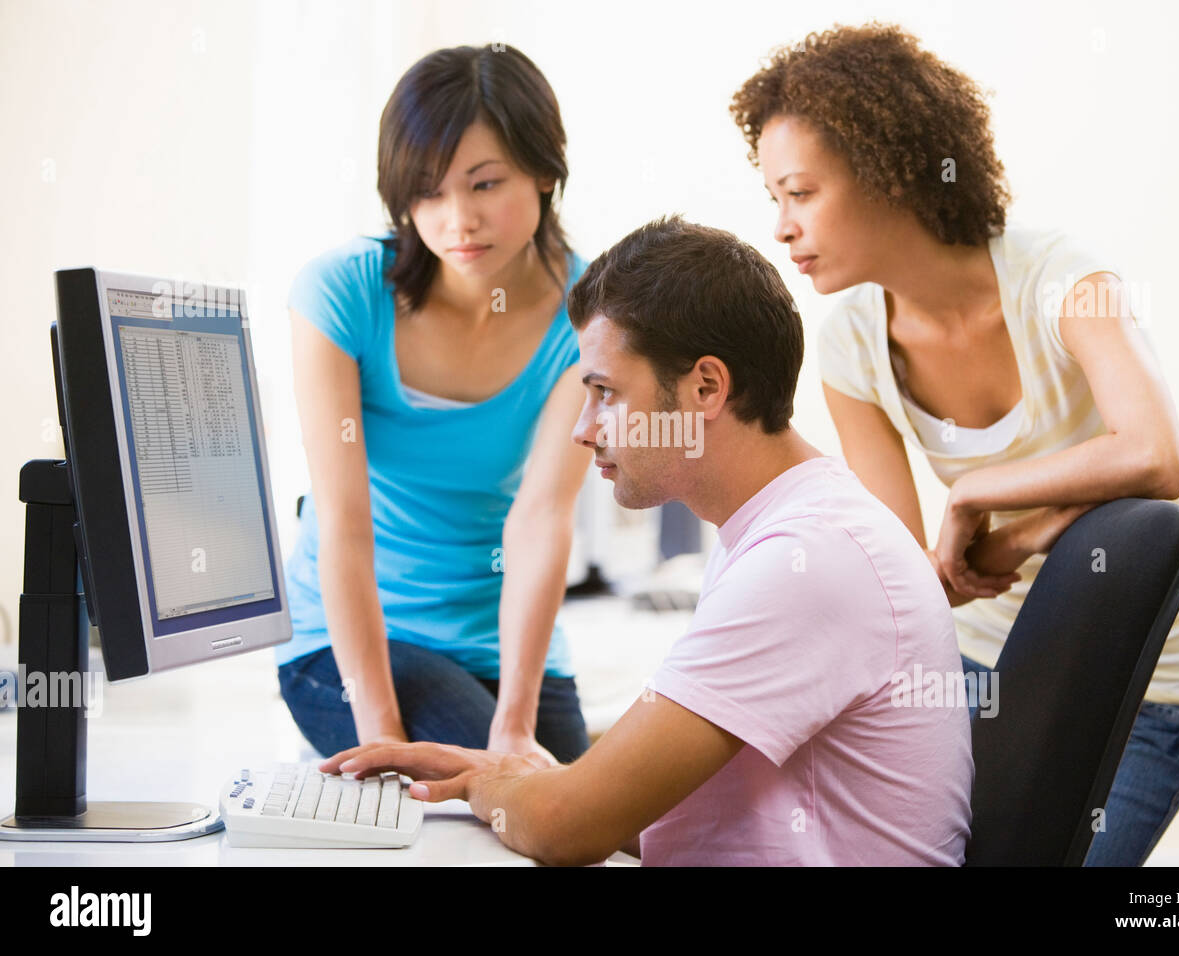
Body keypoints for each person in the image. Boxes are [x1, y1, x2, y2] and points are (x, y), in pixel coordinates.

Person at [320, 216, 973, 866]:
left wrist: (516, 791)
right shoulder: (790, 529)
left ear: (705, 389)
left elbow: (561, 829)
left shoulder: (806, 561)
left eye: (606, 393)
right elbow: (663, 812)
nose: (584, 428)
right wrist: (501, 776)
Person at [730, 23, 1179, 866]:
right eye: (774, 198)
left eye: (801, 193)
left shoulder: (1062, 281)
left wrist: (975, 496)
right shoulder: (852, 341)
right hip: (979, 671)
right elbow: (906, 576)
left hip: (1149, 692)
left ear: (887, 168)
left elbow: (1157, 453)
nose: (781, 226)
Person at [278, 44, 592, 765]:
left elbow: (542, 518)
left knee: (589, 822)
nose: (458, 220)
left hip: (503, 641)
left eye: (484, 184)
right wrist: (381, 734)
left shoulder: (588, 312)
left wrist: (515, 723)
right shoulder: (342, 294)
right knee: (512, 815)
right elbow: (344, 527)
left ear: (545, 170)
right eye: (427, 192)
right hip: (354, 641)